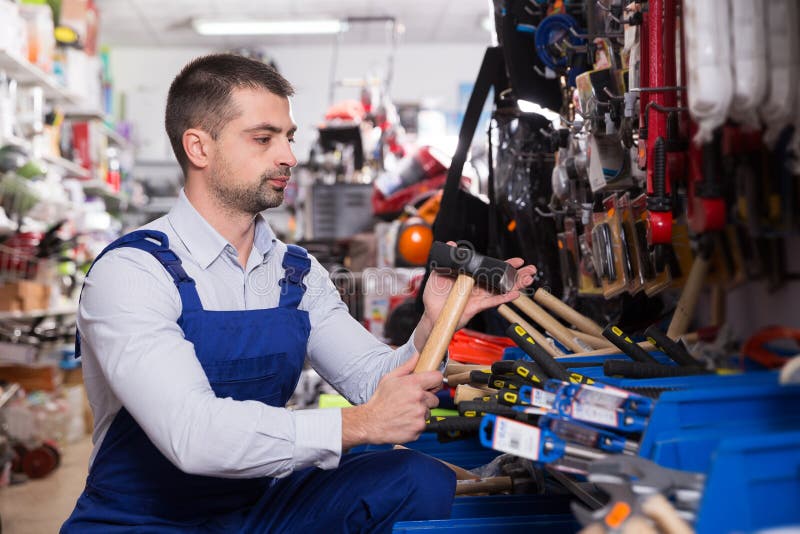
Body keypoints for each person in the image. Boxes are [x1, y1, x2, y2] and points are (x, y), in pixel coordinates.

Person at [62, 53, 536, 533]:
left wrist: (437, 321)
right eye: (264, 139)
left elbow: (375, 382)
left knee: (414, 477)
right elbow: (193, 436)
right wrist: (360, 425)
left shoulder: (295, 271)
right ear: (199, 147)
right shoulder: (132, 272)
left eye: (288, 137)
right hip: (142, 521)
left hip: (256, 509)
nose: (289, 156)